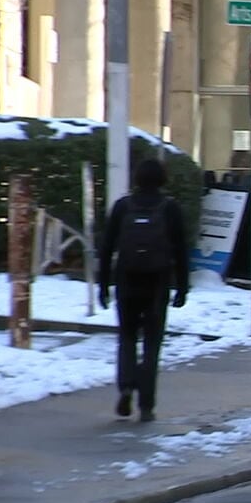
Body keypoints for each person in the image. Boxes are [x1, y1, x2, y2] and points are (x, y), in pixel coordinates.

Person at [98, 158, 190, 422]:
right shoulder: (170, 208)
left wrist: (103, 285)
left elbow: (107, 248)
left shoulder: (123, 206)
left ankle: (126, 386)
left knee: (127, 337)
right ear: (162, 179)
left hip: (127, 279)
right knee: (152, 342)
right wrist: (182, 287)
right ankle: (146, 404)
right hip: (157, 281)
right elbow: (181, 250)